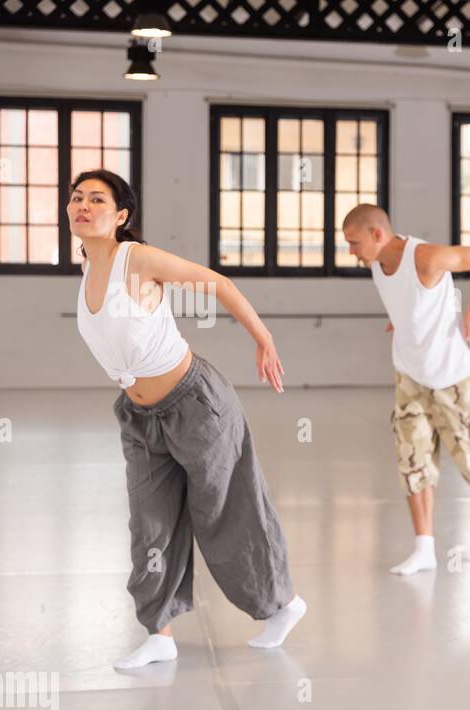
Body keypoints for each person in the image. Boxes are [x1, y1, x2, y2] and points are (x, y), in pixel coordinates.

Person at [71, 169, 305, 669]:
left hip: (196, 405)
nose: (82, 205)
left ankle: (281, 604)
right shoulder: (86, 269)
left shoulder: (137, 259)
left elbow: (217, 283)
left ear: (121, 216)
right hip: (139, 416)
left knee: (226, 512)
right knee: (149, 523)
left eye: (96, 198)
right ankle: (160, 633)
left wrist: (264, 339)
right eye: (76, 198)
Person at [342, 205, 470, 574]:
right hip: (410, 376)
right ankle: (424, 550)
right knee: (412, 462)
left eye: (354, 243)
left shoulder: (427, 257)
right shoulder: (375, 265)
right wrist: (400, 320)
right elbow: (408, 301)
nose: (351, 252)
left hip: (453, 374)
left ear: (377, 235)